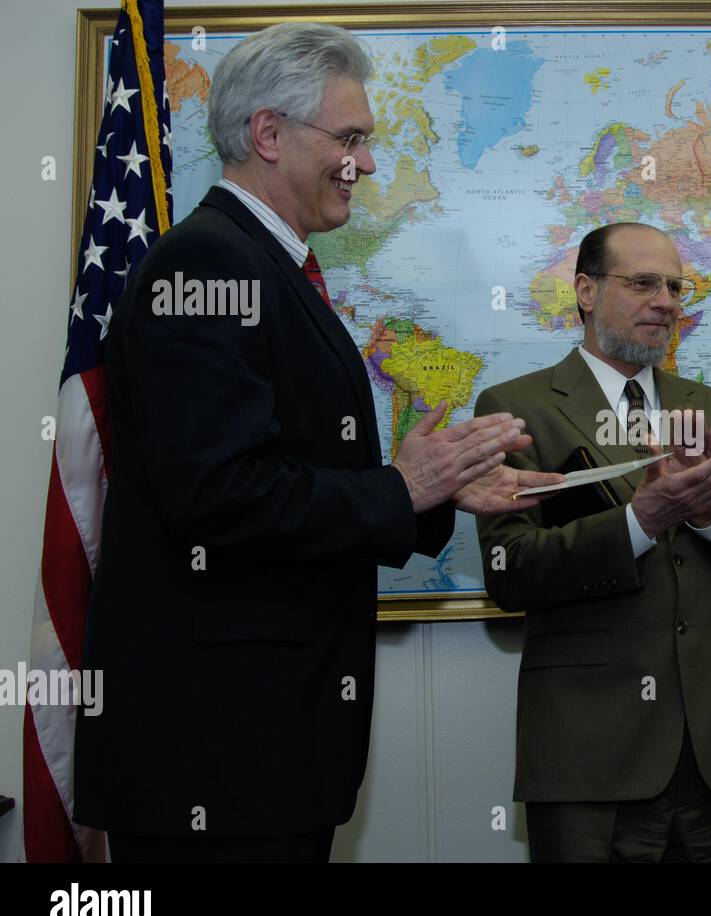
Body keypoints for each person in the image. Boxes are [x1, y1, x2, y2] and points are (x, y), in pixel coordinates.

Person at [73, 22, 560, 862]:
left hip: (262, 752)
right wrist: (399, 489)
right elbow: (221, 493)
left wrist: (433, 492)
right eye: (350, 139)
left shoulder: (267, 265)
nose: (366, 164)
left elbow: (299, 481)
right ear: (268, 134)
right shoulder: (208, 268)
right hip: (215, 758)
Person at [475, 222, 711, 862]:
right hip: (591, 759)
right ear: (586, 291)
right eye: (644, 283)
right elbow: (511, 573)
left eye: (676, 286)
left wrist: (708, 516)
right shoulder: (517, 408)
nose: (667, 301)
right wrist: (640, 520)